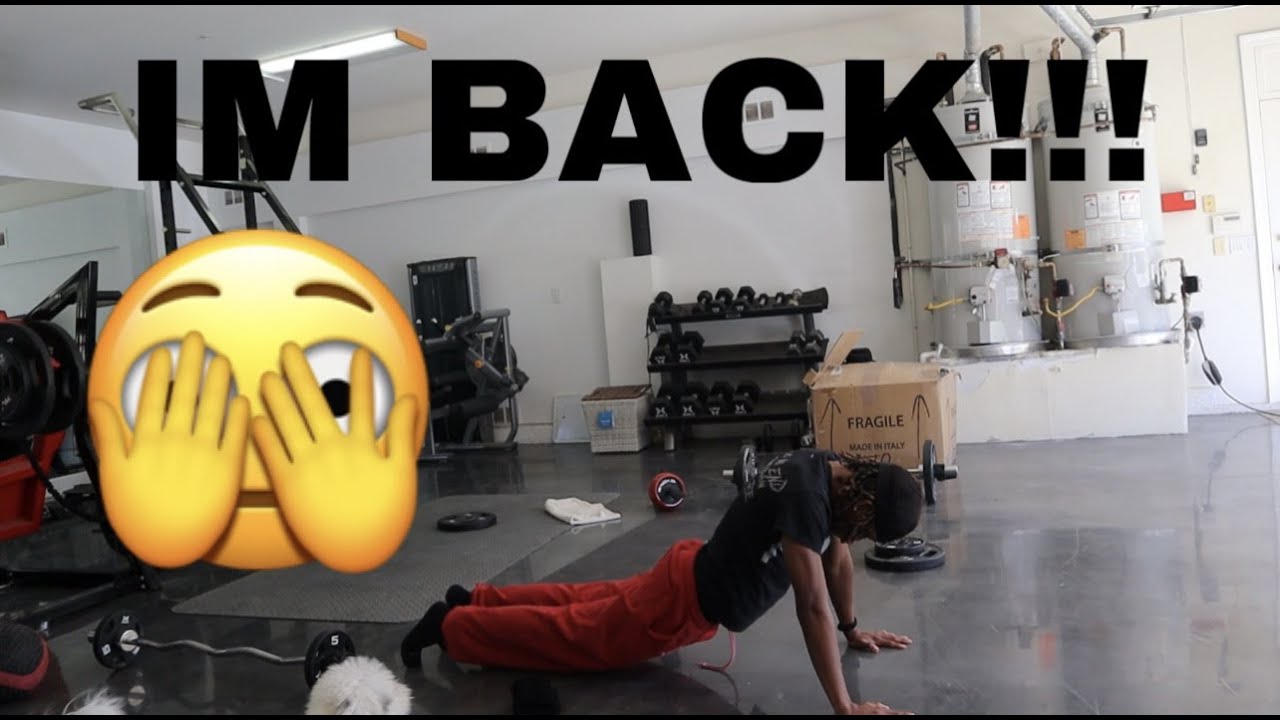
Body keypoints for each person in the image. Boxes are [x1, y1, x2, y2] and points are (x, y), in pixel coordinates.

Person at [400, 449, 924, 715]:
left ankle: (477, 599)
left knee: (583, 600)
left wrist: (852, 628)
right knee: (577, 635)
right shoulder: (809, 503)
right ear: (863, 503)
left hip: (689, 570)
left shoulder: (826, 468)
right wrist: (845, 707)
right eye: (867, 529)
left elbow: (836, 559)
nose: (858, 538)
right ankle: (453, 628)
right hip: (683, 605)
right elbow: (811, 605)